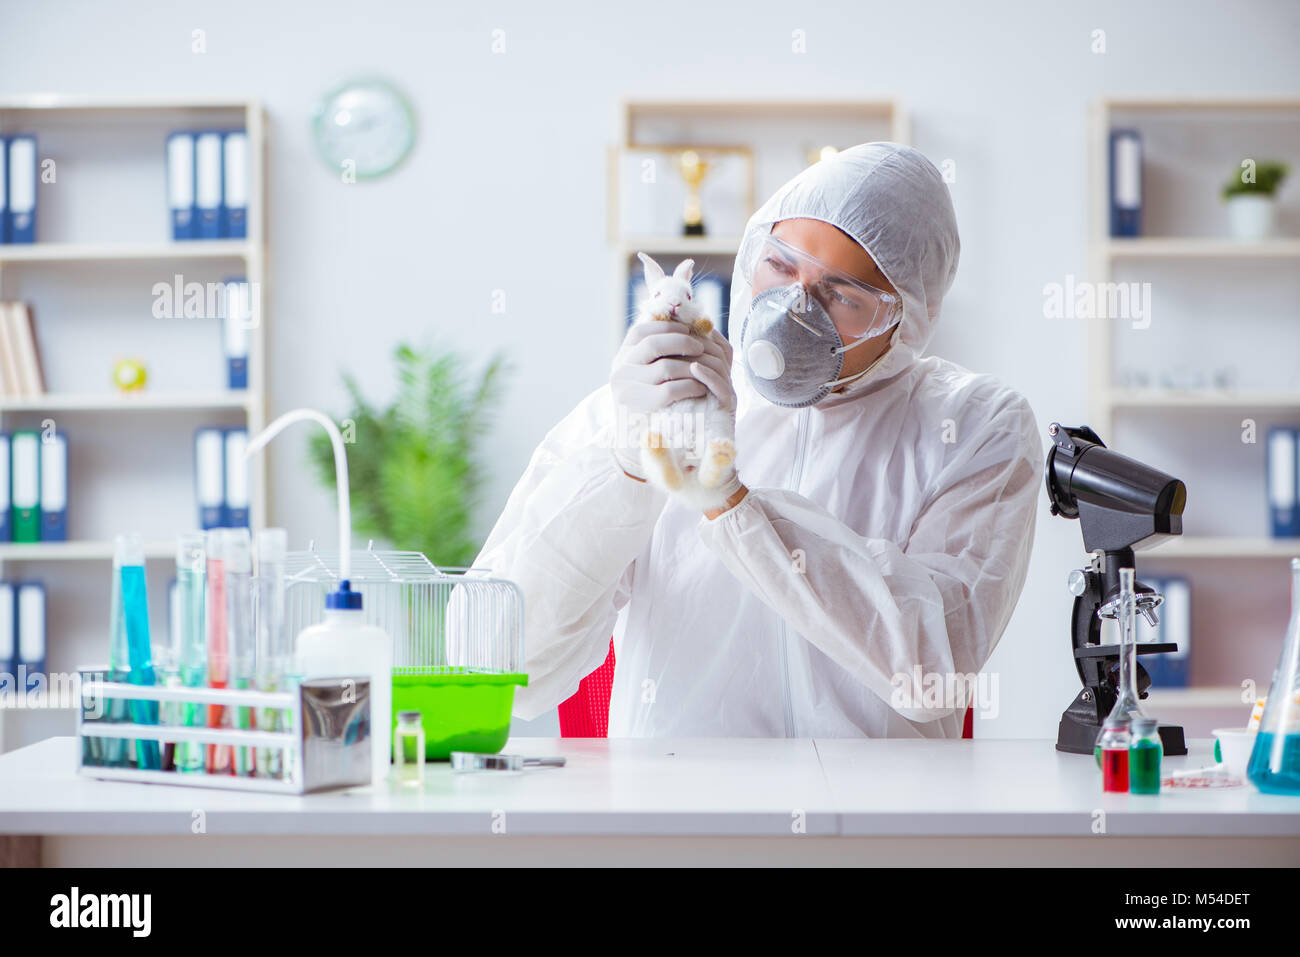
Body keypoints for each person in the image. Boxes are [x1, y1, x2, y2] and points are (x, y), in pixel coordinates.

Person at [475, 143, 1041, 738]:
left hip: (877, 819)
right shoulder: (653, 399)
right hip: (680, 812)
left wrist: (730, 502)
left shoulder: (976, 425)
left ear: (910, 317)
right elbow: (507, 667)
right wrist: (628, 464)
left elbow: (932, 672)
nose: (794, 308)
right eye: (780, 265)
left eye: (842, 295)